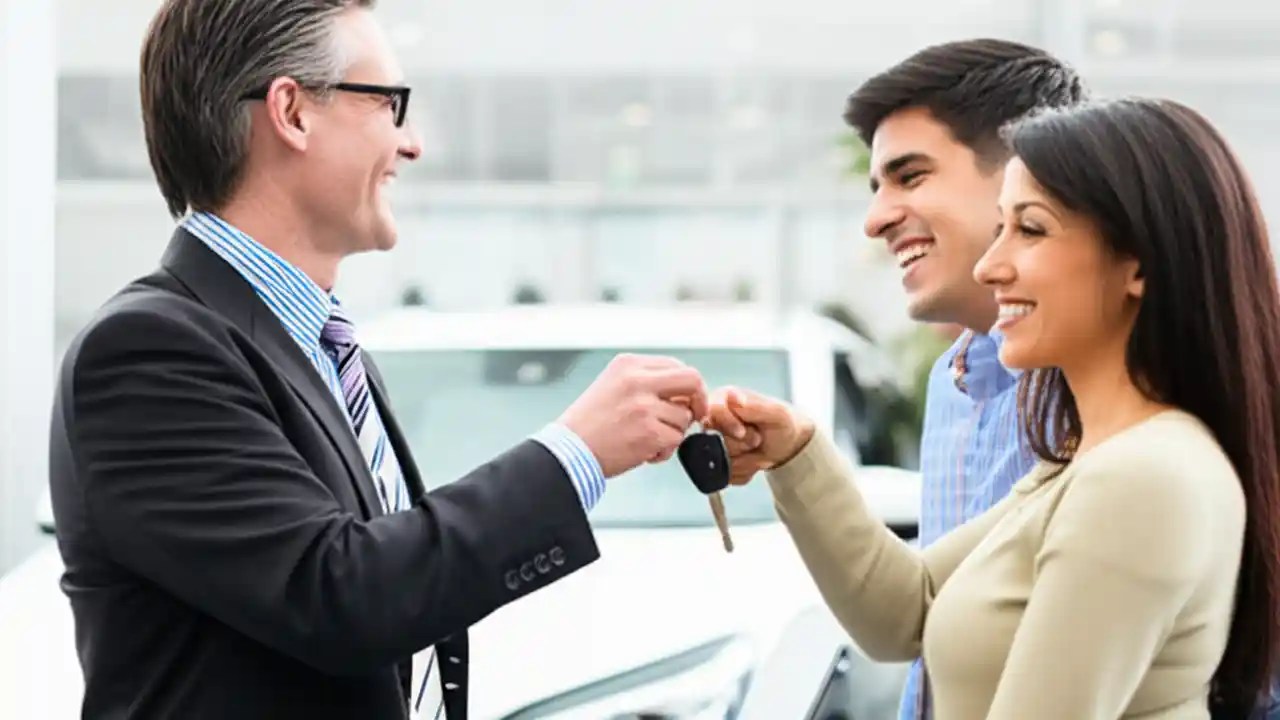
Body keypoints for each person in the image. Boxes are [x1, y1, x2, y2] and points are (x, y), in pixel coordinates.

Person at [46, 2, 707, 719]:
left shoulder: (322, 346)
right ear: (292, 112)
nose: (412, 144)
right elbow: (341, 594)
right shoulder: (147, 353)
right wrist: (575, 453)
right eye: (390, 105)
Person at [707, 98, 1280, 718]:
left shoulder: (1139, 477)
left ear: (1136, 264)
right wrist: (797, 454)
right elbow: (908, 610)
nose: (990, 265)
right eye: (1000, 225)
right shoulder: (1087, 462)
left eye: (1030, 229)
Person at [843, 38, 1086, 719]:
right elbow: (923, 634)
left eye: (911, 176)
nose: (876, 218)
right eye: (876, 186)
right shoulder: (949, 390)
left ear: (1025, 176)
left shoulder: (1126, 396)